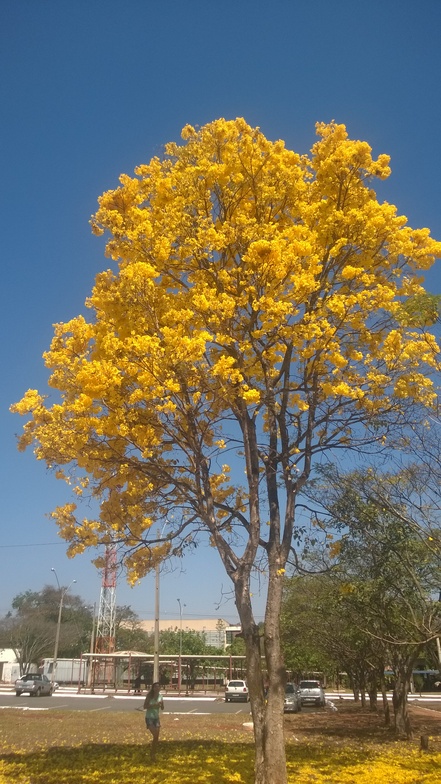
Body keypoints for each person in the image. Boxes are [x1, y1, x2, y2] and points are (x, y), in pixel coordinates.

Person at [143, 682, 164, 761]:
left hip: (156, 718)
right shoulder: (149, 696)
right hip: (149, 718)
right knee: (155, 735)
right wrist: (153, 705)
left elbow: (162, 708)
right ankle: (152, 752)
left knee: (156, 737)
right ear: (153, 688)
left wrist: (161, 704)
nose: (157, 688)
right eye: (156, 687)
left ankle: (153, 753)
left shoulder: (161, 696)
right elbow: (145, 706)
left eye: (159, 687)